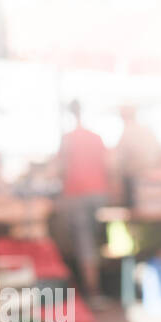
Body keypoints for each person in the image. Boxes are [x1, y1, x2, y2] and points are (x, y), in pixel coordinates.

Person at [56, 100, 109, 307]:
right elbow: (109, 166)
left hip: (77, 195)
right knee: (94, 242)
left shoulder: (68, 139)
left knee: (85, 244)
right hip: (98, 194)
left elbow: (60, 169)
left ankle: (92, 293)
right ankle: (95, 290)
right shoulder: (96, 138)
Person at [114, 105, 161, 209]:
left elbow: (119, 162)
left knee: (132, 213)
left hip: (135, 181)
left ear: (123, 116)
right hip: (154, 180)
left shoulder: (127, 132)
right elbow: (160, 153)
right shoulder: (147, 130)